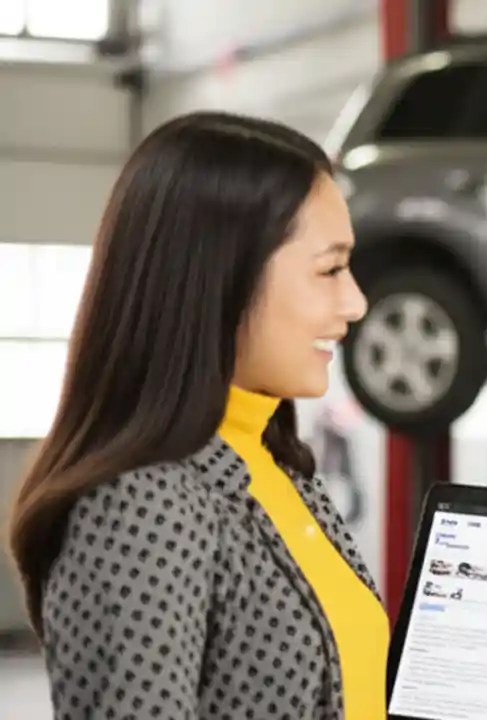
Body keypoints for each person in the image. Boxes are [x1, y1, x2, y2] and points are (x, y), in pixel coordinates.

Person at [8, 111, 387, 719]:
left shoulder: (281, 470)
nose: (356, 301)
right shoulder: (140, 505)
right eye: (329, 269)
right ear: (221, 276)